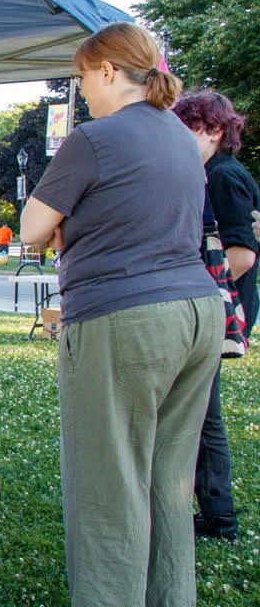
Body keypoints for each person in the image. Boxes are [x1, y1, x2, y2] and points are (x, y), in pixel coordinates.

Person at [20, 22, 221, 607]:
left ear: (107, 71)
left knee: (109, 485)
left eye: (82, 78)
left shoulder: (94, 139)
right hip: (197, 315)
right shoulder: (182, 137)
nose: (81, 91)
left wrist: (63, 228)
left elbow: (33, 228)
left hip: (124, 317)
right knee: (167, 482)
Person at [173, 89, 259, 541]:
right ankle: (211, 511)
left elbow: (242, 254)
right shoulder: (211, 173)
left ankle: (220, 517)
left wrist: (196, 290)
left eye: (192, 128)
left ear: (216, 130)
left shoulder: (223, 176)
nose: (183, 137)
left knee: (206, 417)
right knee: (201, 413)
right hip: (213, 307)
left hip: (219, 308)